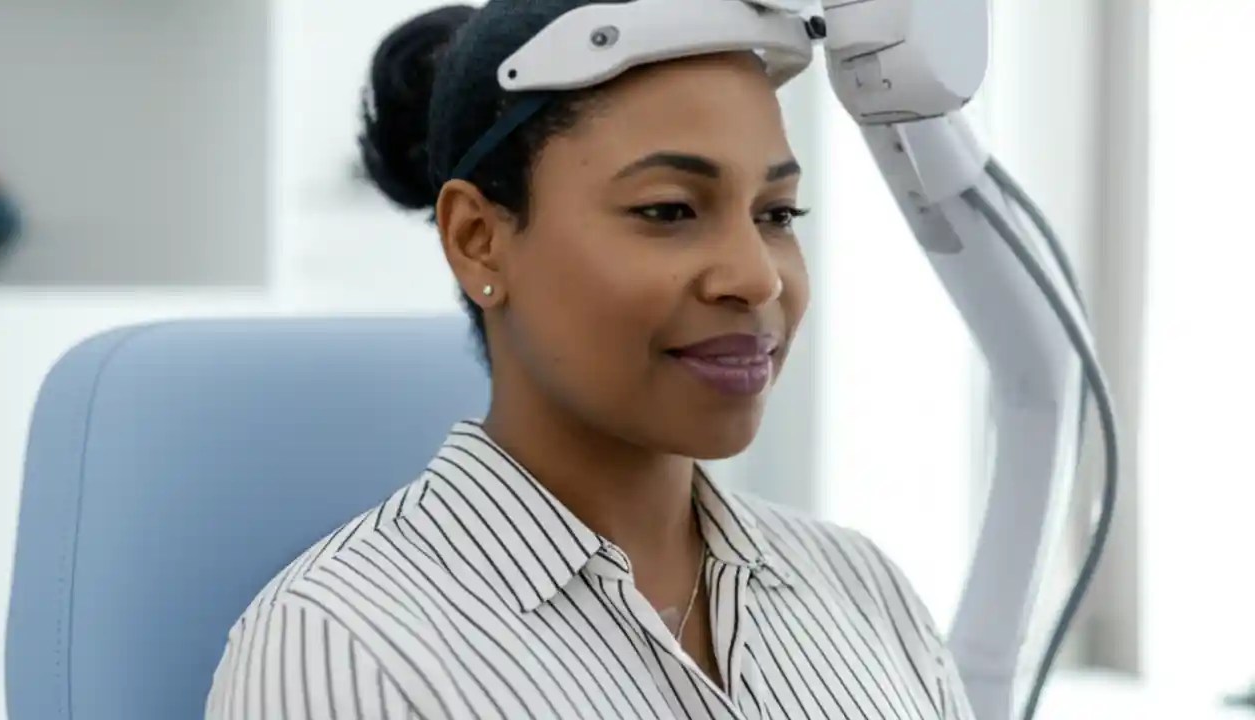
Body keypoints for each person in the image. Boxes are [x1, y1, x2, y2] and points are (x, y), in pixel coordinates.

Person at [206, 1, 974, 717]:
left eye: (777, 214)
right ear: (478, 238)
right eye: (667, 210)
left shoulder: (865, 592)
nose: (757, 277)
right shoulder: (348, 647)